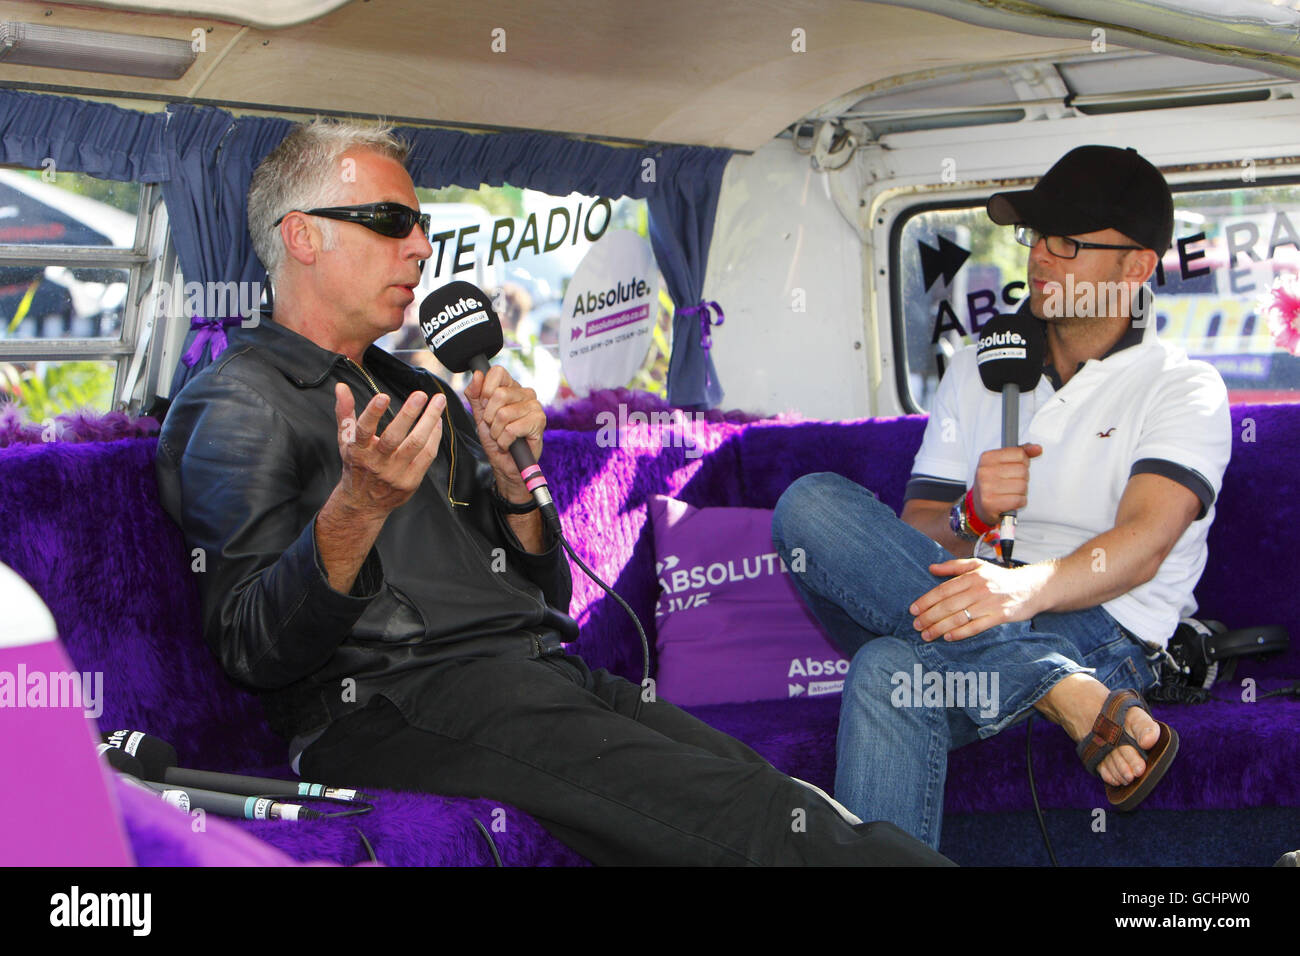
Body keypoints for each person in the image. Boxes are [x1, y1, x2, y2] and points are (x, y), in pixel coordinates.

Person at [154, 118, 950, 866]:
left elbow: (545, 588)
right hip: (394, 703)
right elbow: (253, 647)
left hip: (537, 673)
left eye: (422, 224)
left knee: (794, 804)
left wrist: (512, 484)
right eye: (391, 222)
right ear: (304, 236)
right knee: (759, 824)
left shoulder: (411, 385)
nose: (422, 247)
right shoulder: (238, 403)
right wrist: (357, 507)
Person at [772, 145, 1231, 850]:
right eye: (1035, 237)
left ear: (1136, 266)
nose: (1040, 257)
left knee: (888, 671)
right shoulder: (980, 364)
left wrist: (1022, 592)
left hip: (1104, 631)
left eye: (1067, 242)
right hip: (965, 604)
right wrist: (973, 515)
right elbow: (919, 532)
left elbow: (1144, 544)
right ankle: (1058, 689)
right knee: (809, 505)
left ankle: (1056, 673)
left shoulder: (1182, 385)